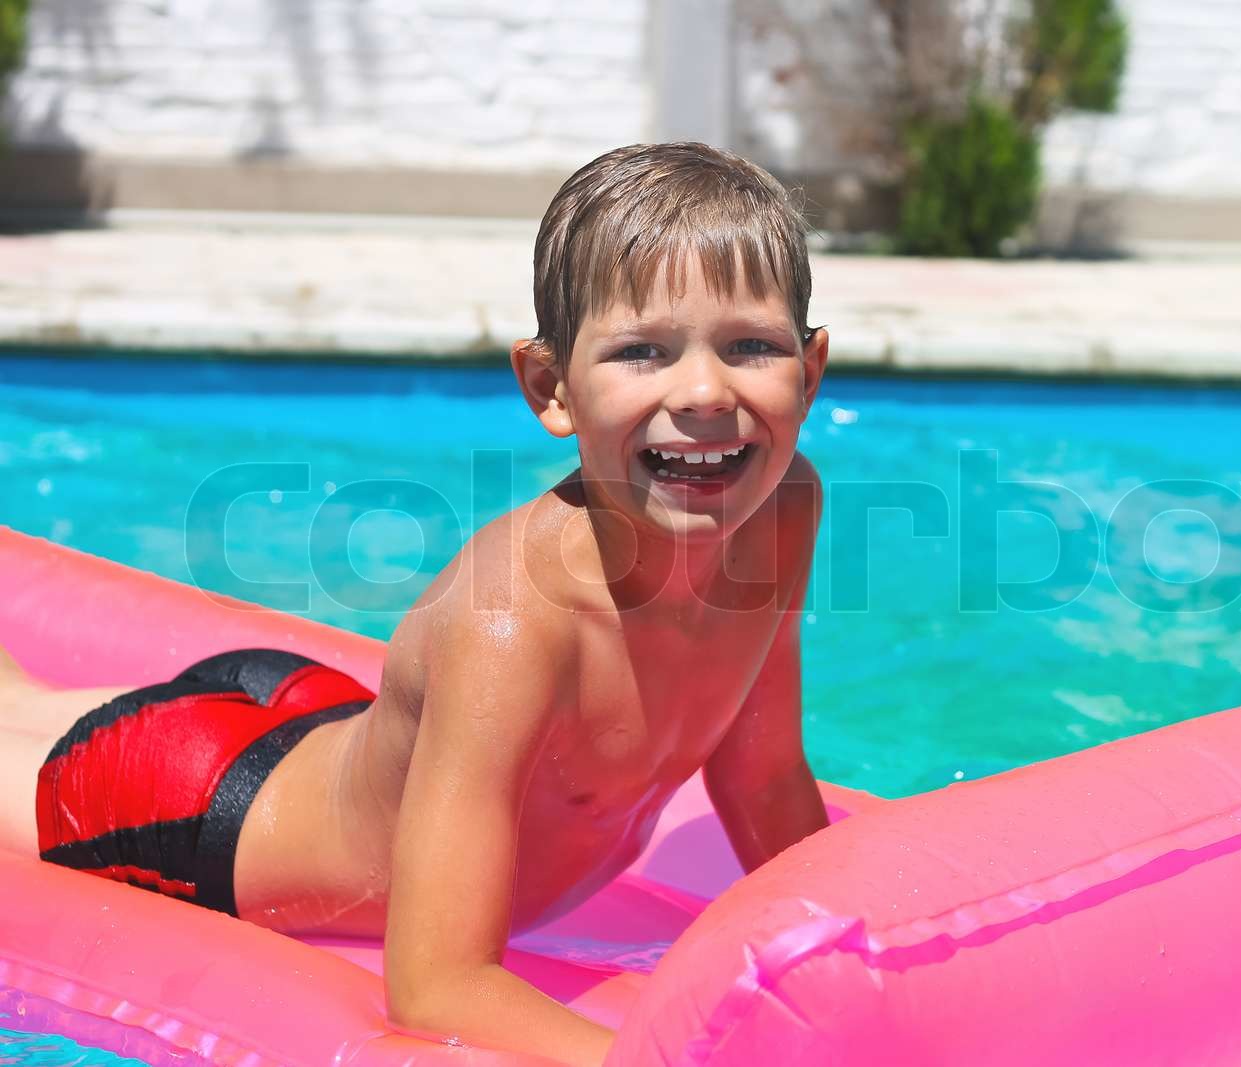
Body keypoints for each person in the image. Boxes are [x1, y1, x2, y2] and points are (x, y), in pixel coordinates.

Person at [0, 141, 833, 1066]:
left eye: (750, 346)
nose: (707, 392)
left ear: (812, 368)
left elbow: (760, 773)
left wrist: (839, 956)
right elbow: (436, 985)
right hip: (196, 807)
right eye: (642, 351)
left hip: (313, 724)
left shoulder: (785, 506)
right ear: (550, 389)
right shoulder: (518, 621)